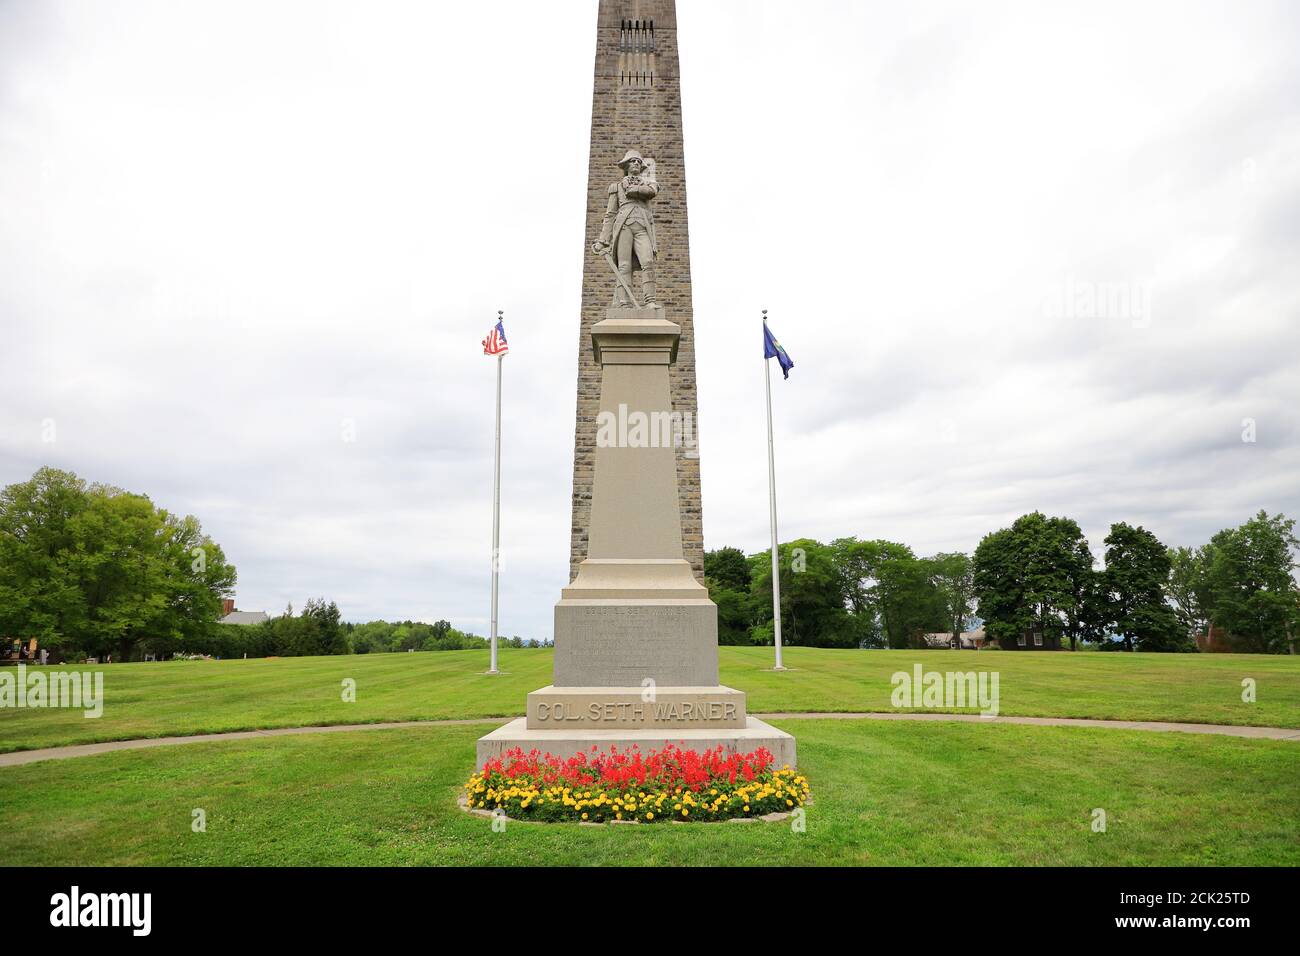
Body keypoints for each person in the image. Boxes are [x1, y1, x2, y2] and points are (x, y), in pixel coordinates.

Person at [592, 149, 659, 307]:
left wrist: (636, 190)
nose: (635, 163)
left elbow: (652, 191)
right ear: (626, 166)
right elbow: (610, 215)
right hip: (624, 227)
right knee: (624, 265)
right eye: (632, 161)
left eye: (638, 161)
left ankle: (650, 301)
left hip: (642, 227)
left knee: (648, 262)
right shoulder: (616, 187)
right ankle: (624, 303)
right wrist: (603, 240)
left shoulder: (648, 185)